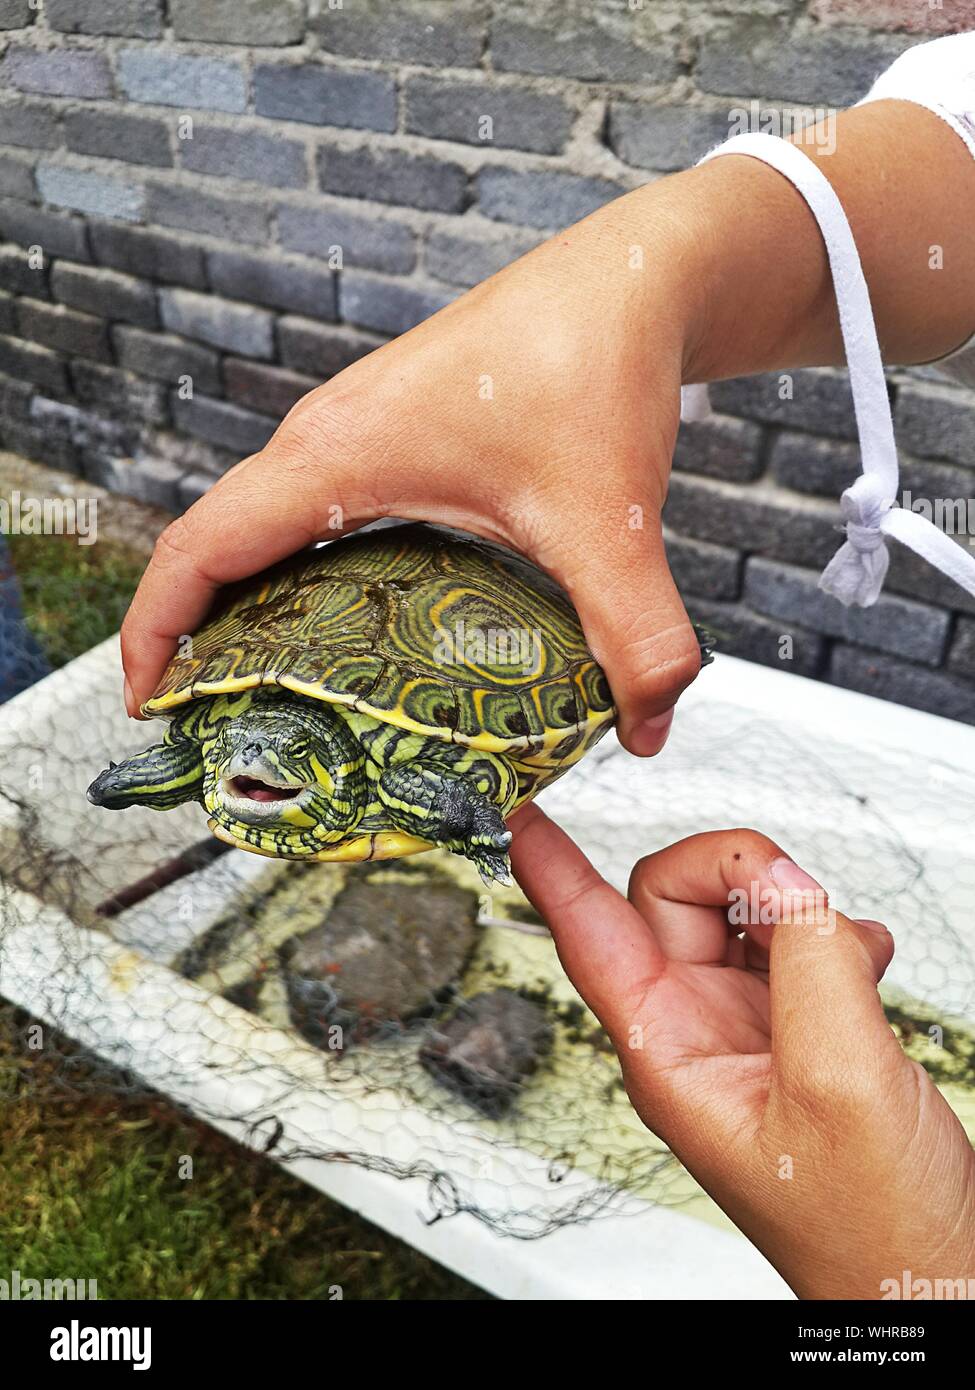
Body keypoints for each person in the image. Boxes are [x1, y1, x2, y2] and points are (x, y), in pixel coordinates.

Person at [119, 35, 975, 1295]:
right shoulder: (231, 744)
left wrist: (911, 1262)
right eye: (243, 756)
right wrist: (654, 262)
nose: (239, 765)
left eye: (254, 756)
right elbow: (949, 150)